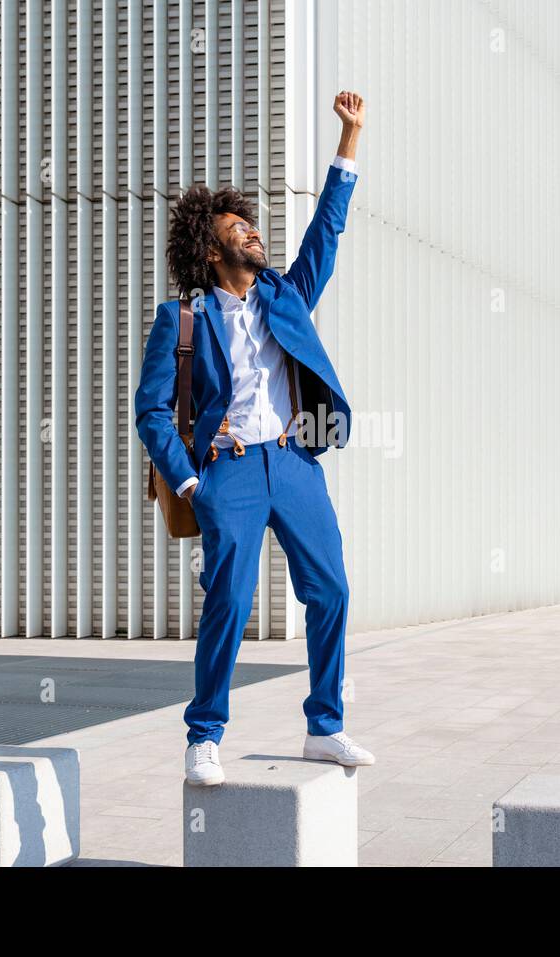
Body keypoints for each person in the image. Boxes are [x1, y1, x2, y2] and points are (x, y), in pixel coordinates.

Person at [135, 91, 375, 786]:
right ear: (213, 250)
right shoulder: (181, 317)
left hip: (293, 462)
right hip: (229, 473)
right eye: (240, 230)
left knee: (330, 590)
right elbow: (151, 410)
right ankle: (203, 735)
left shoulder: (285, 295)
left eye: (252, 227)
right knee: (231, 604)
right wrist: (188, 481)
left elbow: (325, 232)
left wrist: (349, 139)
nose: (253, 235)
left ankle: (324, 727)